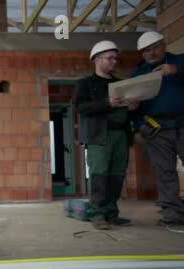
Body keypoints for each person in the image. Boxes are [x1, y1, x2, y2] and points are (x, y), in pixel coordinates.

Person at [131, 31, 184, 229]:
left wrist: (177, 70)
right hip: (157, 129)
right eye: (145, 51)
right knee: (164, 172)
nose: (151, 53)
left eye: (154, 48)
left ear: (163, 45)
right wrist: (139, 124)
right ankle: (172, 215)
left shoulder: (183, 61)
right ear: (142, 54)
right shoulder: (137, 75)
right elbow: (132, 108)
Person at [74, 40, 138, 230]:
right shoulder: (85, 84)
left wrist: (133, 107)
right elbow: (81, 107)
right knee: (99, 176)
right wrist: (107, 103)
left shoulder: (121, 84)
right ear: (96, 59)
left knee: (117, 176)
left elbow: (126, 110)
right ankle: (97, 214)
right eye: (109, 58)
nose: (114, 62)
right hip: (99, 137)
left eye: (115, 59)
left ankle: (111, 213)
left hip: (121, 135)